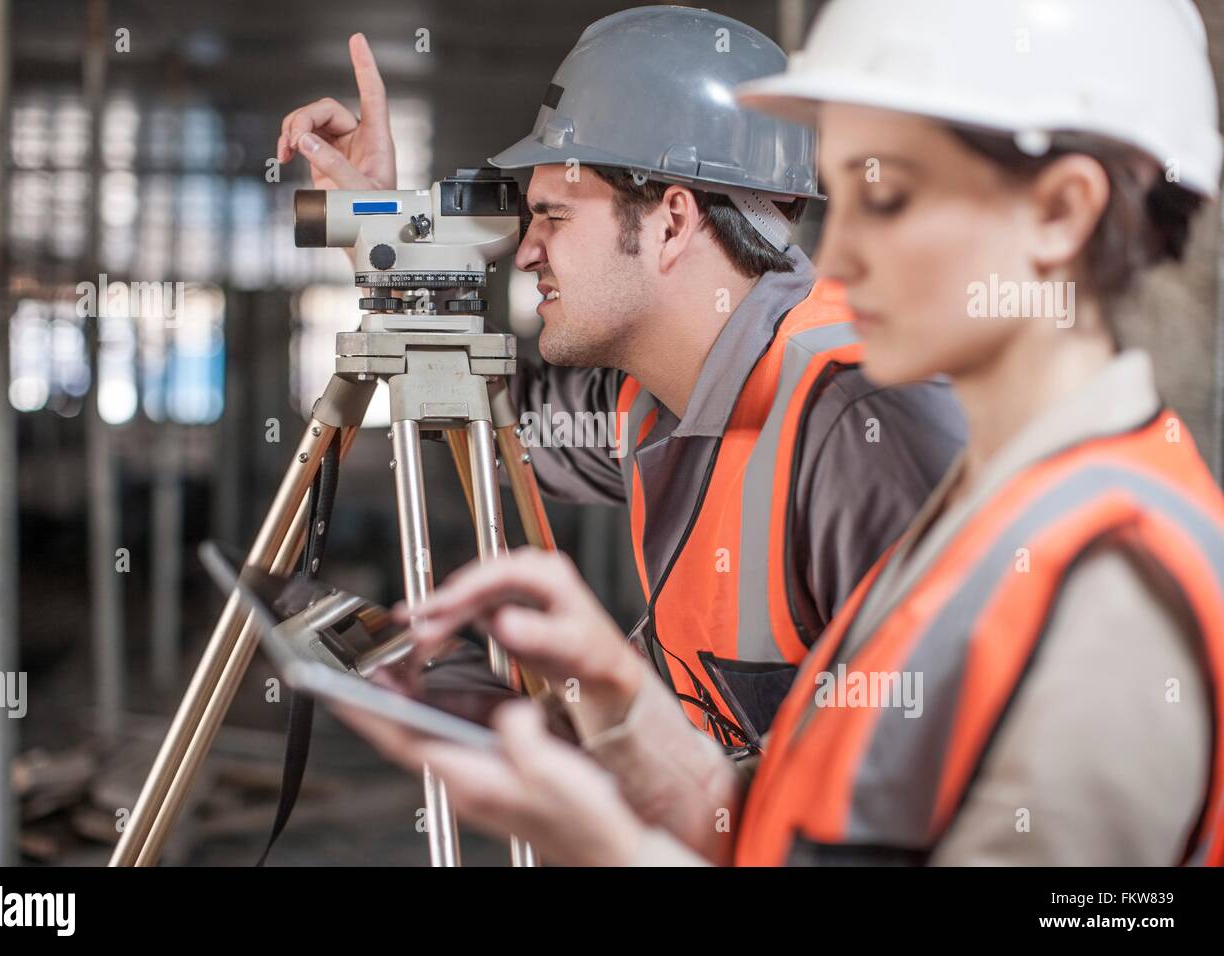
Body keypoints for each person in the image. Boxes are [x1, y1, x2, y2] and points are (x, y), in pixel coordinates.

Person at [331, 0, 1224, 866]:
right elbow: (834, 820)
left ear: (1060, 213)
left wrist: (614, 848)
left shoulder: (1103, 590)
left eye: (893, 196)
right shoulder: (993, 504)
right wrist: (627, 716)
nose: (832, 261)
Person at [277, 8, 965, 747]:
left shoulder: (861, 422)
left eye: (554, 217)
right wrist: (389, 244)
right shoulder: (646, 396)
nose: (526, 253)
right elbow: (482, 417)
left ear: (671, 221)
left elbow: (935, 794)